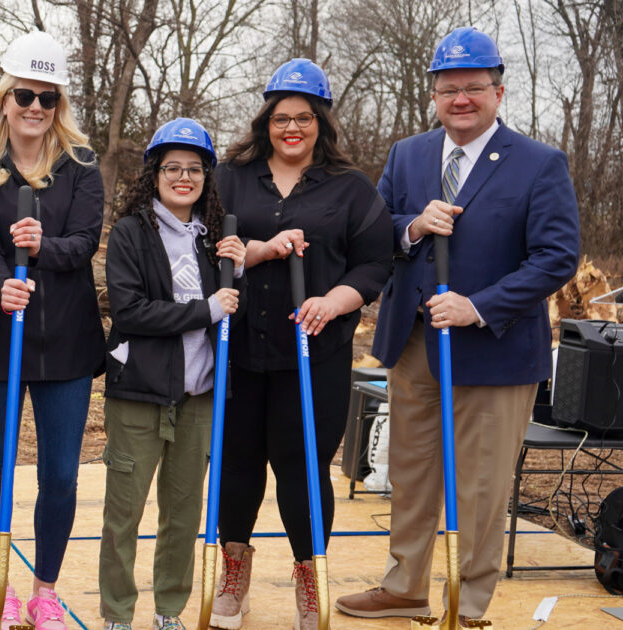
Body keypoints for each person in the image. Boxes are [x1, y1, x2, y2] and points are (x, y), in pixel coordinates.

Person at [334, 28, 580, 627]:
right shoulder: (409, 154)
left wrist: (479, 306)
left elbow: (556, 256)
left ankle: (466, 602)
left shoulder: (539, 164)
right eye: (449, 89)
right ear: (435, 94)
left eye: (473, 88)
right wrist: (413, 227)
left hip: (493, 349)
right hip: (414, 342)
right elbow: (373, 230)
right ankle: (405, 586)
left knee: (481, 484)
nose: (460, 99)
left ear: (498, 92)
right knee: (411, 471)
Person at [206, 58, 393, 630]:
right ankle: (233, 571)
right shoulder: (229, 178)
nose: (292, 128)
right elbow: (203, 246)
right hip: (238, 351)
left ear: (321, 122)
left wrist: (337, 299)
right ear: (266, 120)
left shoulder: (351, 188)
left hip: (315, 356)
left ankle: (310, 576)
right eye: (282, 117)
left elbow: (376, 261)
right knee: (236, 466)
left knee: (303, 469)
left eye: (305, 118)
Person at [0, 30, 105, 630]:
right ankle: (1, 588)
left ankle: (45, 589)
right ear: (4, 99)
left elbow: (86, 240)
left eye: (48, 98)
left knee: (61, 473)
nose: (36, 108)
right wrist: (0, 286)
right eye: (25, 96)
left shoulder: (81, 167)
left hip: (66, 342)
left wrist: (45, 247)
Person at [99, 118, 245, 630]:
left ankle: (169, 611)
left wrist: (237, 273)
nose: (183, 177)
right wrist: (206, 308)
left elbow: (229, 315)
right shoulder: (131, 233)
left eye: (194, 169)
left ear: (207, 176)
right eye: (172, 168)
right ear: (153, 174)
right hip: (139, 395)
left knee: (182, 516)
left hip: (198, 397)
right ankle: (117, 613)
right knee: (124, 516)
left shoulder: (214, 240)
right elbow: (131, 311)